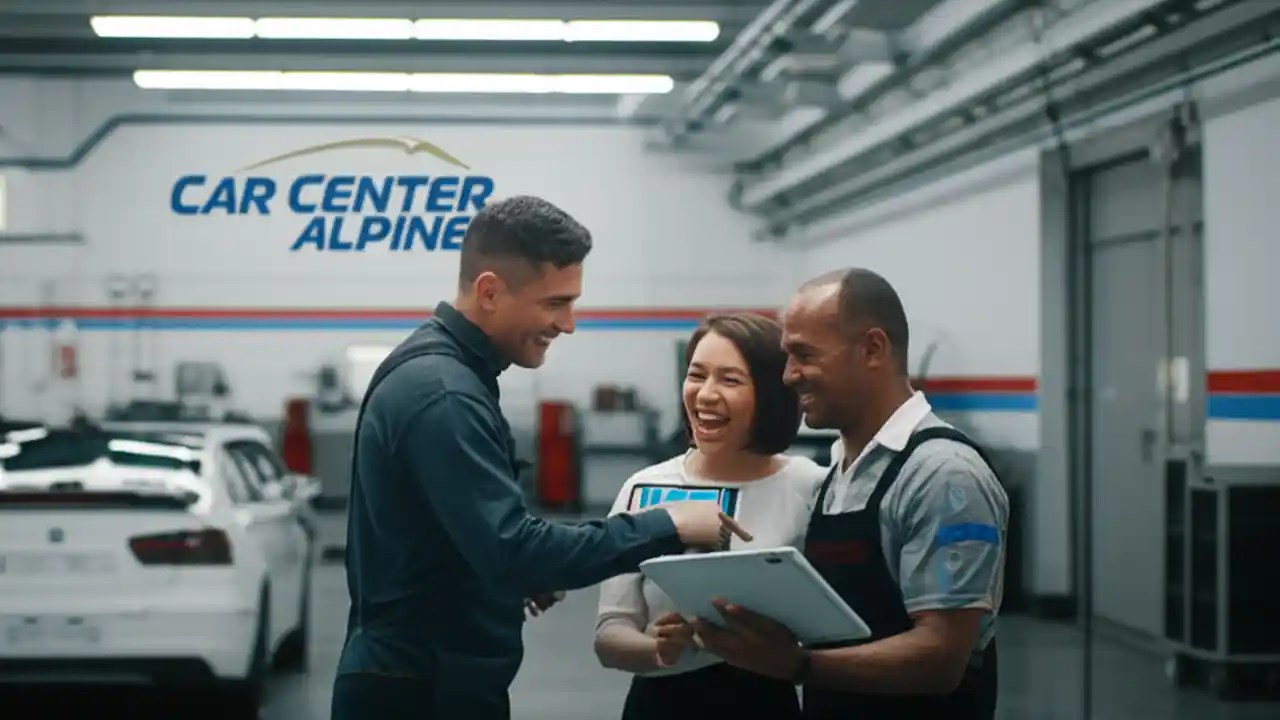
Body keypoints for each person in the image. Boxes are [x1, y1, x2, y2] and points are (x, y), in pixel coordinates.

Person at [330, 195, 748, 720]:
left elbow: (450, 536)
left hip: (425, 675)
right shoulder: (445, 395)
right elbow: (513, 548)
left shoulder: (447, 376)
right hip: (423, 689)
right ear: (489, 291)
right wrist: (669, 524)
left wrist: (505, 578)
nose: (568, 323)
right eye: (555, 303)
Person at [692, 268, 1009, 720]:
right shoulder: (840, 470)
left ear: (873, 349)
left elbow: (941, 656)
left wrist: (797, 664)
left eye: (803, 355)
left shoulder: (941, 474)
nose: (788, 376)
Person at [594, 312, 827, 719]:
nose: (705, 395)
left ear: (771, 394)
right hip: (661, 705)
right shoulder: (644, 487)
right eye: (697, 375)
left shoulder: (812, 487)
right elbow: (609, 634)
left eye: (730, 380)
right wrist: (659, 649)